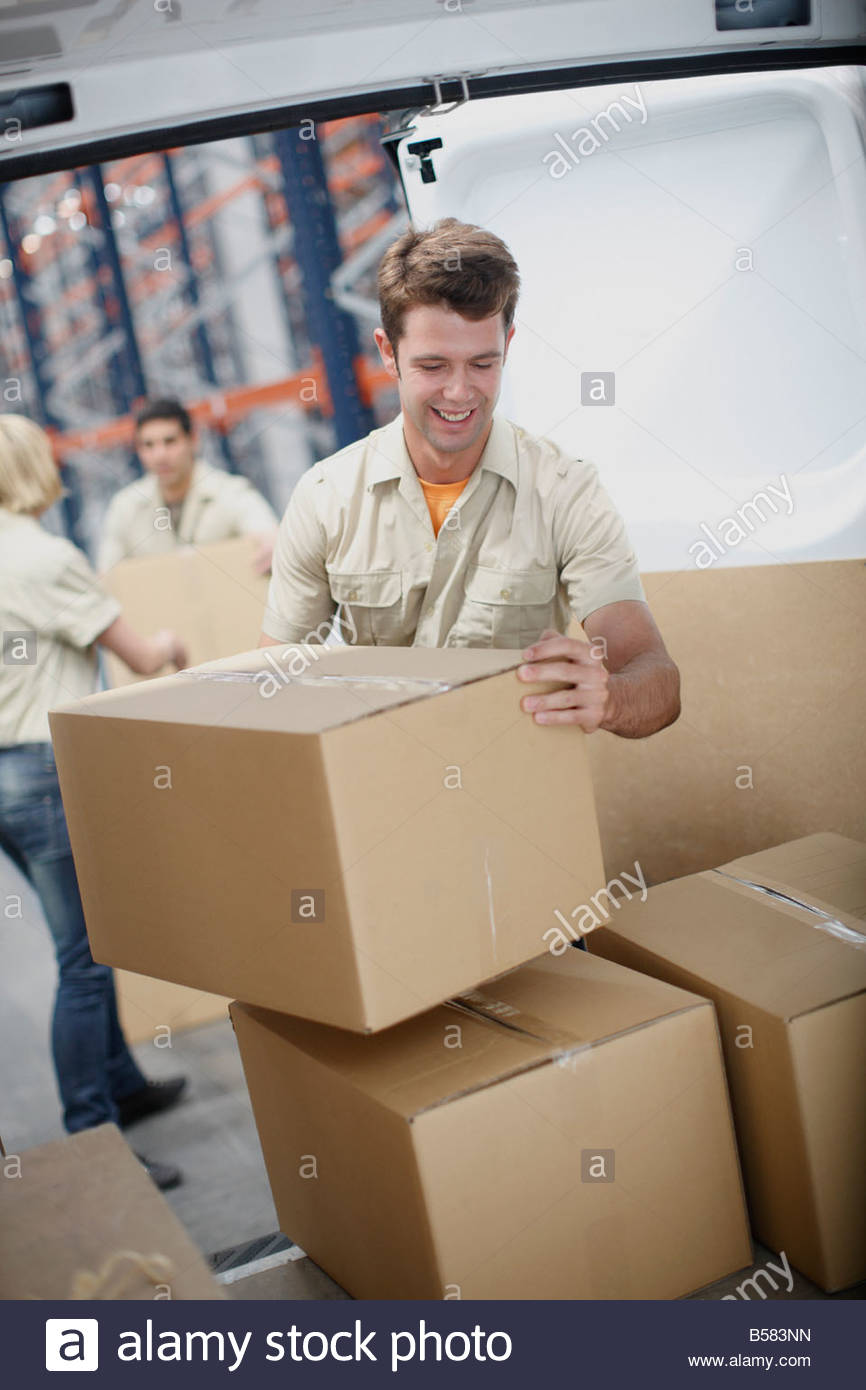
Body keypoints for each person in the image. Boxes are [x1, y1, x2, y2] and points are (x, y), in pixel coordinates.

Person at [259, 218, 680, 741]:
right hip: (375, 791)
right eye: (433, 366)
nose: (459, 393)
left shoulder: (565, 491)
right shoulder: (326, 498)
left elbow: (656, 680)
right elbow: (273, 686)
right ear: (388, 352)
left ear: (508, 343)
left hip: (520, 797)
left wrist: (611, 698)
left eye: (483, 363)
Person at [0, 414, 190, 1190]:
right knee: (82, 961)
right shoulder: (44, 556)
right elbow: (142, 657)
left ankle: (122, 1085)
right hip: (45, 772)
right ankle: (93, 1136)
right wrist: (180, 642)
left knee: (86, 937)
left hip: (4, 777)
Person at [98, 398, 279, 575]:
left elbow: (266, 531)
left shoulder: (230, 492)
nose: (160, 455)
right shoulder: (125, 506)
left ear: (192, 440)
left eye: (170, 442)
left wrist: (271, 543)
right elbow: (109, 577)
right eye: (148, 445)